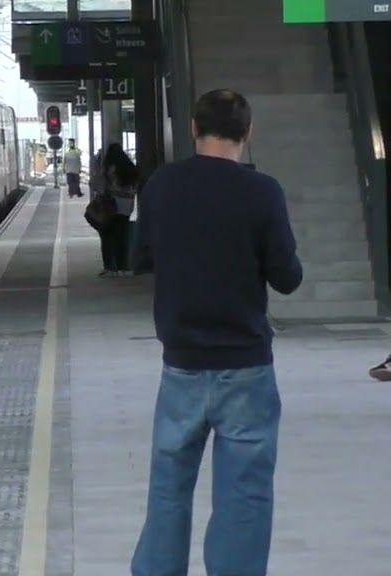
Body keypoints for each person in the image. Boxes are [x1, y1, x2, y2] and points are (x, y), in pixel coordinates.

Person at [129, 89, 303, 576]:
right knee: (243, 495)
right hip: (245, 367)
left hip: (181, 365)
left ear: (193, 128)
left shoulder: (161, 186)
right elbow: (288, 278)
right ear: (247, 134)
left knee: (168, 487)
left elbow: (138, 257)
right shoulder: (262, 191)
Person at [88, 143, 138, 277]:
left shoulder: (110, 169)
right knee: (122, 238)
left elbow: (94, 183)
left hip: (111, 208)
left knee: (107, 238)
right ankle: (124, 267)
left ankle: (110, 267)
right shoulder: (131, 168)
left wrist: (105, 190)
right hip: (127, 208)